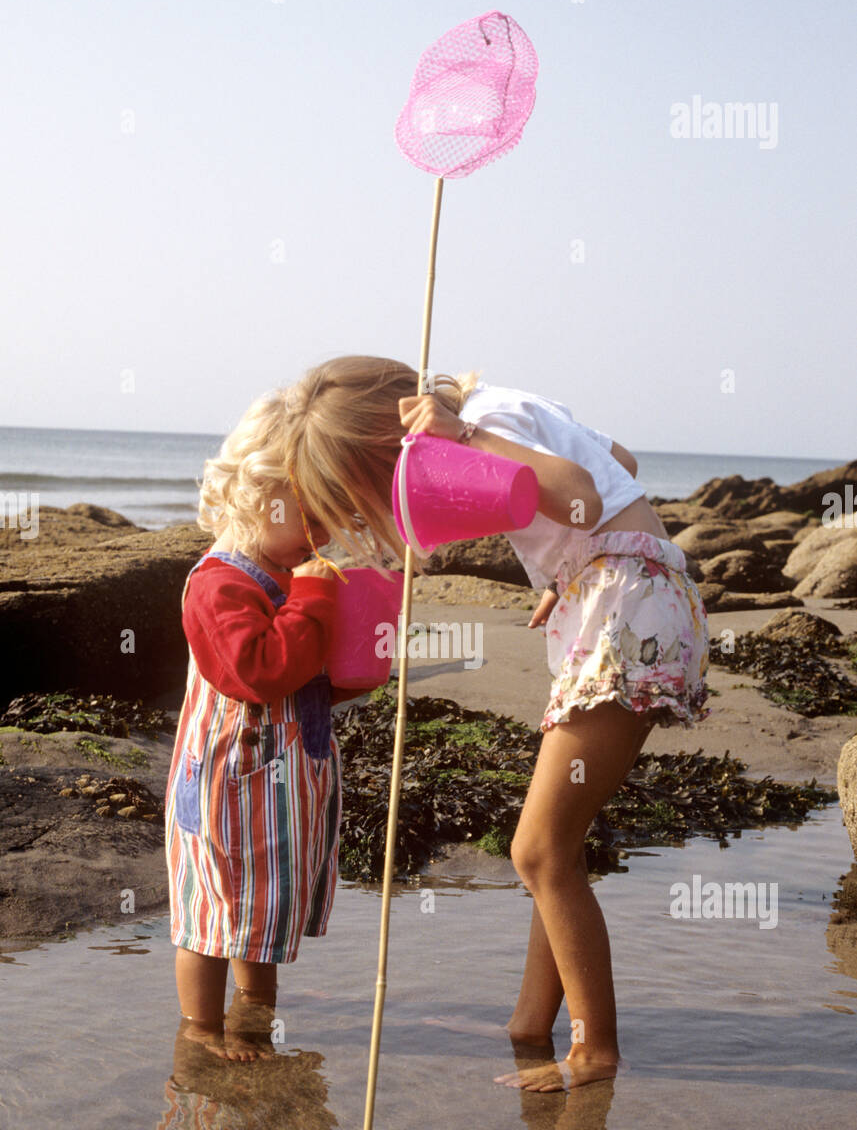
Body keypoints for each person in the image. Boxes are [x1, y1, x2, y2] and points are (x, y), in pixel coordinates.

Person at [240, 356, 710, 1090]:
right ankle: (530, 1023)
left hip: (627, 606)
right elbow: (618, 462)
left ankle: (594, 1051)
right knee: (556, 845)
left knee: (536, 849)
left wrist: (464, 439)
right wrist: (570, 570)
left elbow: (580, 493)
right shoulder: (506, 407)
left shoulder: (481, 421)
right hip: (619, 594)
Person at [164, 390, 365, 1061]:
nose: (323, 537)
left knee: (260, 906)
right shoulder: (217, 584)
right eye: (310, 518)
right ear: (257, 499)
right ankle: (200, 1025)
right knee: (209, 912)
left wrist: (352, 671)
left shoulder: (285, 574)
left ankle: (255, 1009)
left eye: (329, 520)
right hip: (231, 783)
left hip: (280, 784)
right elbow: (257, 671)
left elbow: (299, 681)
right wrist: (313, 596)